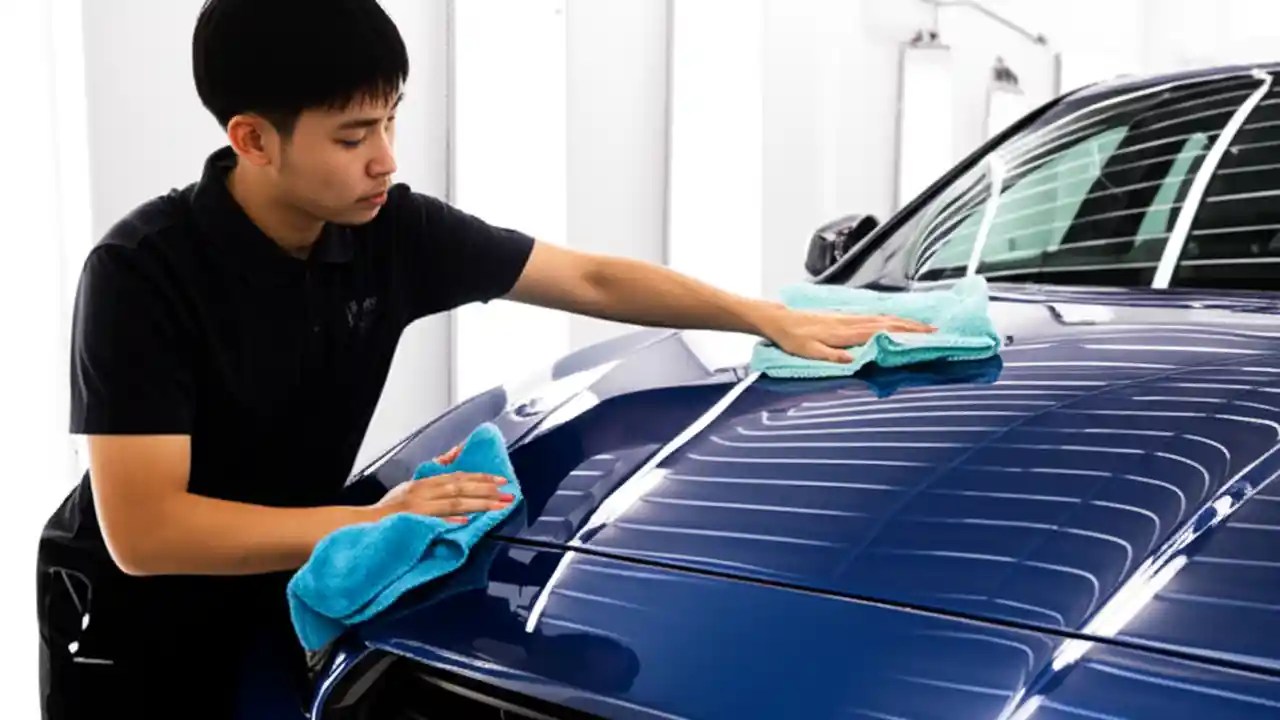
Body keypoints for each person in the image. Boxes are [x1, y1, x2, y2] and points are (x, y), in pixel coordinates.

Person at [34, 0, 934, 717]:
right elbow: (147, 533)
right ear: (253, 139)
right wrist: (371, 519)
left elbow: (588, 278)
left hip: (281, 581)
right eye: (352, 136)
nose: (386, 159)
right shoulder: (141, 273)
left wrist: (764, 316)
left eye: (391, 121)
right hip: (132, 626)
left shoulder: (390, 233)